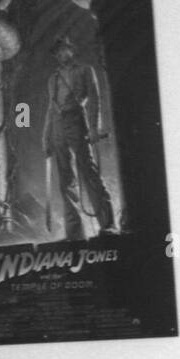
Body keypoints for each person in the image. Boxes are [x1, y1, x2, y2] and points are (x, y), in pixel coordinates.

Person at [43, 34, 116, 240]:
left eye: (63, 50)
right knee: (66, 180)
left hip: (77, 121)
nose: (60, 54)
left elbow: (94, 98)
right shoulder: (53, 78)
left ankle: (108, 225)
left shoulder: (85, 70)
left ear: (71, 50)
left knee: (89, 172)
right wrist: (46, 137)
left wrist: (94, 128)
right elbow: (51, 108)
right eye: (57, 52)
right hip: (58, 127)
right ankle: (75, 234)